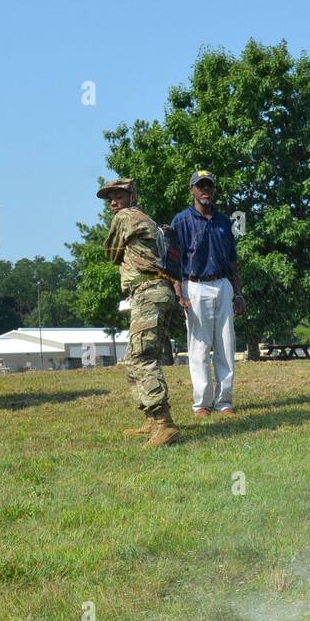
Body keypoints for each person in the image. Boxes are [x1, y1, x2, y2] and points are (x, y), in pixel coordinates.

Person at [99, 177, 180, 447]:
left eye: (118, 196)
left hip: (148, 291)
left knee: (142, 357)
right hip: (160, 291)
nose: (113, 202)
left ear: (132, 197)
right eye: (110, 198)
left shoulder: (126, 217)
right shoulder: (149, 220)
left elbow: (110, 252)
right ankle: (150, 418)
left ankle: (163, 423)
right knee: (135, 358)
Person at [168, 170, 244, 415]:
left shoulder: (224, 221)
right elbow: (174, 261)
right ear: (192, 190)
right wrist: (179, 293)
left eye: (209, 186)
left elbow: (233, 261)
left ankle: (225, 402)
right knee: (199, 347)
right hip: (195, 285)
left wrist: (239, 293)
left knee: (226, 345)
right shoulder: (181, 221)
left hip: (222, 284)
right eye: (200, 186)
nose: (205, 191)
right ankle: (202, 403)